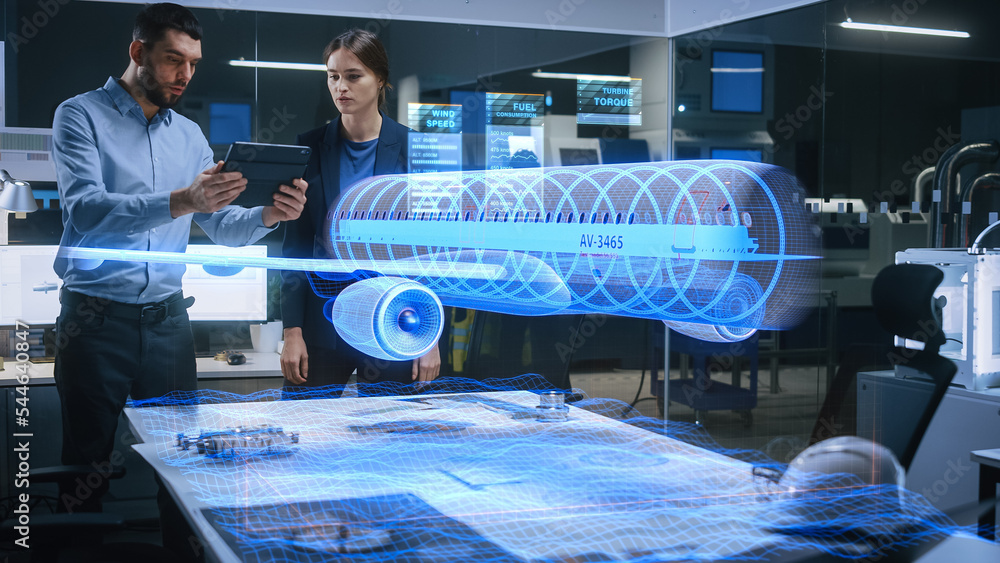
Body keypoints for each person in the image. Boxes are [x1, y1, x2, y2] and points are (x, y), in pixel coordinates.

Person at [51, 0, 306, 529]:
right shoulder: (79, 115)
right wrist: (185, 201)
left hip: (167, 322)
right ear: (138, 52)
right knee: (85, 466)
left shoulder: (188, 135)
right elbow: (87, 210)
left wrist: (268, 214)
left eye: (193, 63)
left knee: (188, 464)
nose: (185, 75)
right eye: (173, 60)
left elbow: (224, 226)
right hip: (94, 321)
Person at [281, 29, 440, 392]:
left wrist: (430, 336)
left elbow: (430, 249)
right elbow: (296, 247)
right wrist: (292, 332)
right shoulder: (308, 148)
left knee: (391, 438)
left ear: (380, 79)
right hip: (322, 326)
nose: (341, 87)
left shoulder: (416, 149)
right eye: (333, 76)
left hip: (396, 321)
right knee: (309, 437)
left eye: (353, 76)